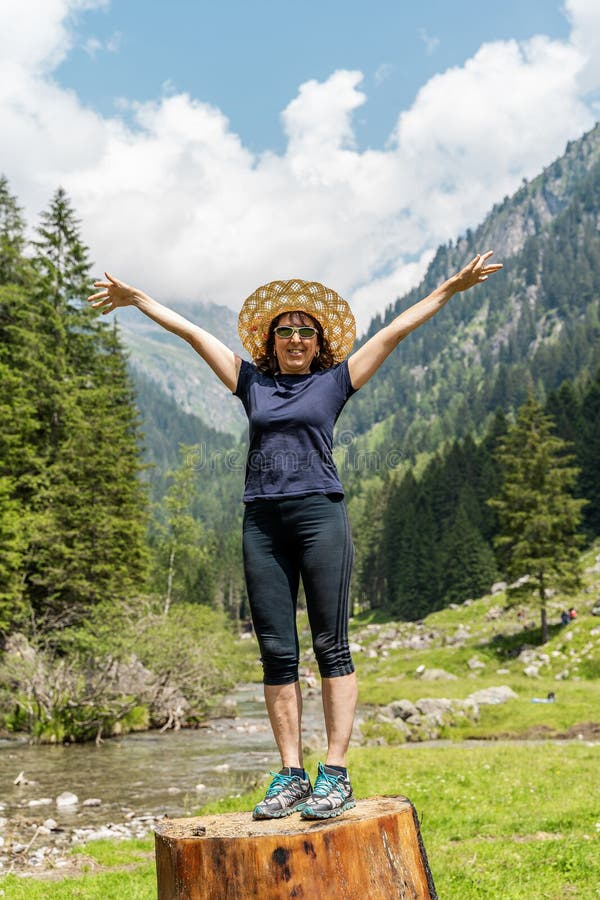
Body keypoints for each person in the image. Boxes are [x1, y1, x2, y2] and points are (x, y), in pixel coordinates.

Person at [88, 251, 502, 820]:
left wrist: (452, 288)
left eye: (307, 331)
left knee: (332, 645)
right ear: (271, 339)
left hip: (319, 516)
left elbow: (396, 331)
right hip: (261, 521)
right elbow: (191, 332)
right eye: (286, 331)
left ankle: (335, 773)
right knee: (277, 653)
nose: (297, 338)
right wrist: (137, 300)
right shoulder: (248, 382)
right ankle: (291, 774)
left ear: (318, 341)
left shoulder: (337, 382)